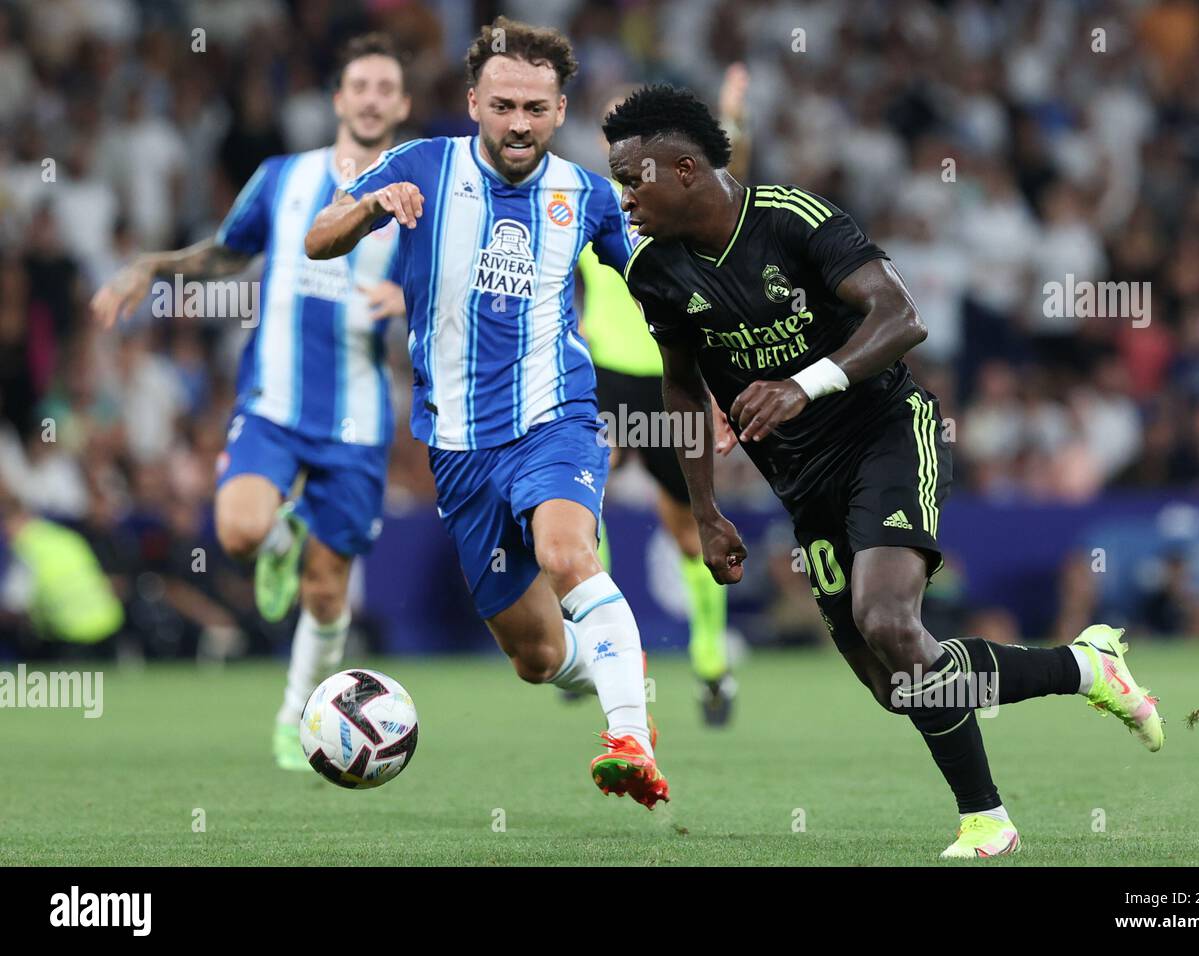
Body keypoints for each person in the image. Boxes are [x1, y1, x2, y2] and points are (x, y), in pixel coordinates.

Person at [605, 84, 1165, 856]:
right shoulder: (654, 273)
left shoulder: (795, 220)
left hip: (885, 434)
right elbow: (681, 386)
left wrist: (805, 384)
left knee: (889, 621)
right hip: (801, 479)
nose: (623, 196)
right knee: (895, 681)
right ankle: (1084, 668)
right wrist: (704, 511)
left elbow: (903, 317)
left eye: (633, 179)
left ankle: (986, 820)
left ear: (686, 169)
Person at [304, 18, 667, 809]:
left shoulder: (587, 195)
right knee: (536, 657)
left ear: (560, 109)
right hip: (460, 448)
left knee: (568, 550)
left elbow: (662, 281)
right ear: (473, 102)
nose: (518, 123)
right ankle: (612, 660)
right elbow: (317, 236)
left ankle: (630, 735)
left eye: (535, 108)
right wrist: (370, 209)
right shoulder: (420, 167)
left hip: (556, 416)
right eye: (503, 105)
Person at [91, 34, 410, 771]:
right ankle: (276, 540)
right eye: (358, 84)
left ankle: (297, 716)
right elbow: (228, 253)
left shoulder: (419, 187)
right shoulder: (283, 177)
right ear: (338, 99)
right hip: (273, 400)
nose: (370, 98)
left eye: (384, 87)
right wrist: (153, 266)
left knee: (327, 595)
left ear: (400, 103)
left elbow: (447, 290)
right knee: (236, 531)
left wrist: (410, 299)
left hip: (359, 419)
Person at [577, 66, 752, 726]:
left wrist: (735, 118)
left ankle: (710, 660)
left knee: (685, 525)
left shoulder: (677, 200)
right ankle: (593, 646)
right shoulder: (593, 199)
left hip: (667, 380)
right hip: (600, 375)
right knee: (576, 499)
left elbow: (732, 184)